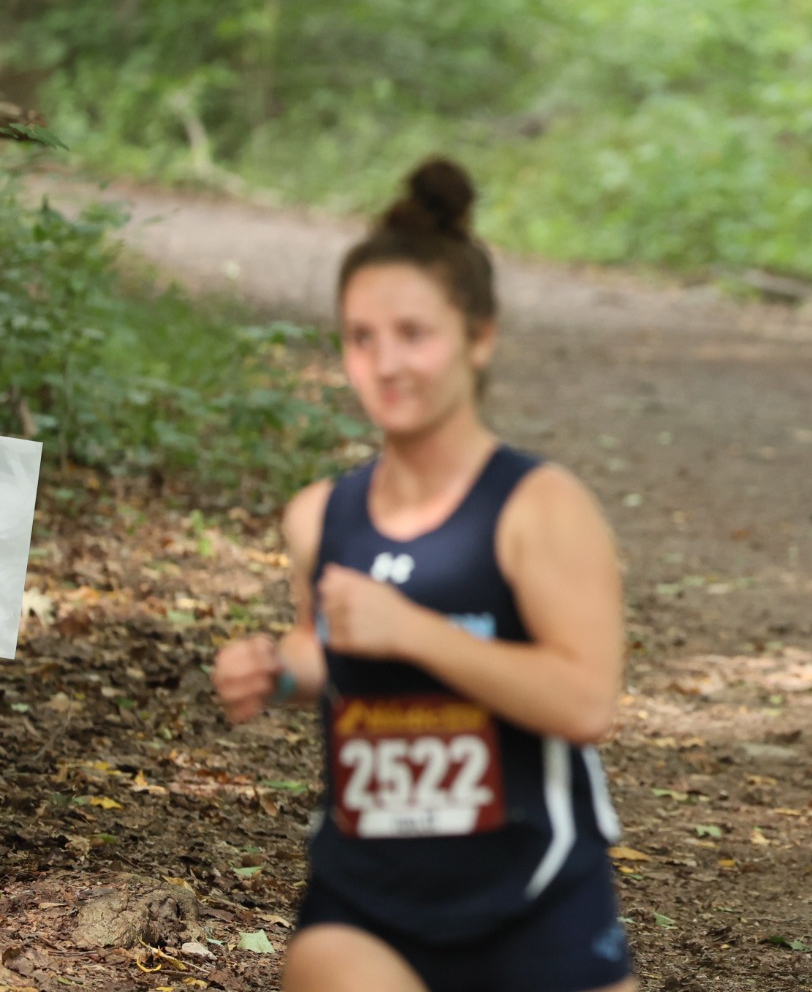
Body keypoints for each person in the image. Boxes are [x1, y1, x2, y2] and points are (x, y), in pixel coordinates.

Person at [211, 159, 633, 992]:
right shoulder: (318, 516)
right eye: (360, 338)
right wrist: (279, 666)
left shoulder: (537, 507)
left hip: (535, 893)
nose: (385, 364)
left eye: (414, 334)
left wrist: (416, 630)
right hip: (364, 898)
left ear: (479, 338)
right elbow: (335, 655)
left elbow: (586, 702)